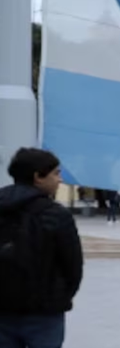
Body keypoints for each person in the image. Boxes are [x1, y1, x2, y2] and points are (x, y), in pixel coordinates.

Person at [0, 148, 83, 348]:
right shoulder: (56, 215)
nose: (60, 180)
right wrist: (59, 298)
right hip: (44, 314)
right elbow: (72, 266)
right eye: (56, 173)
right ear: (38, 176)